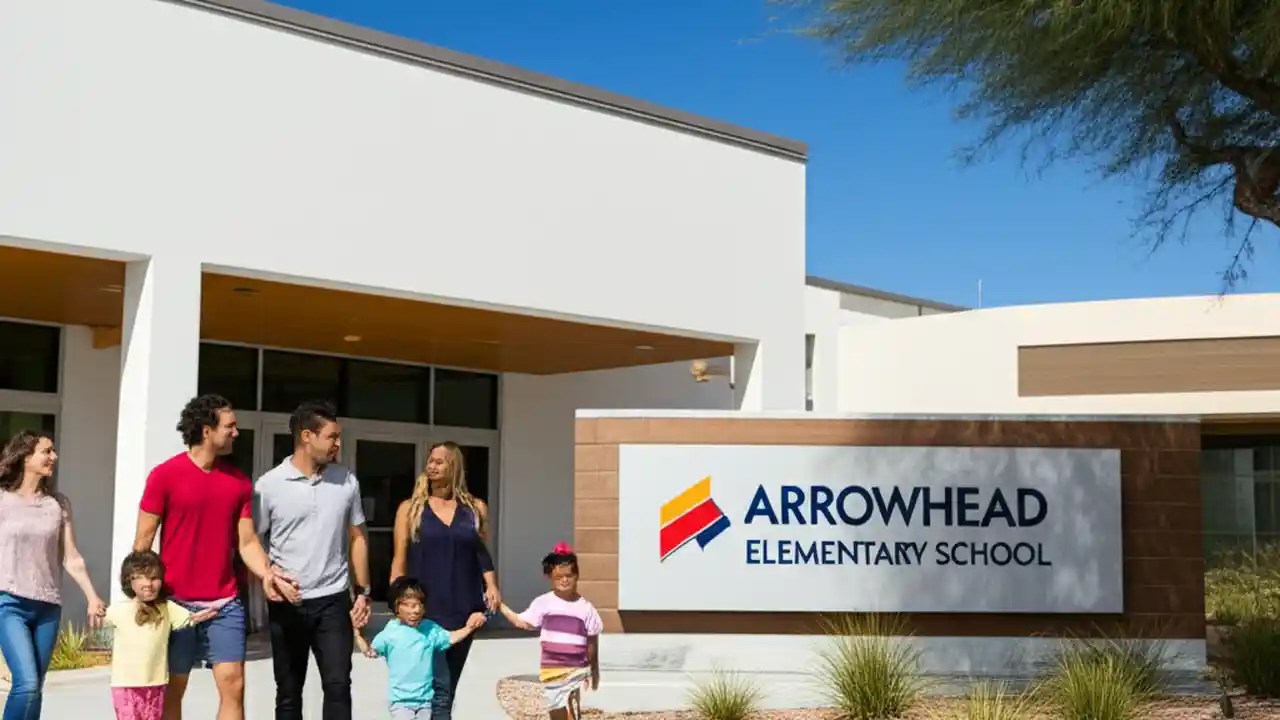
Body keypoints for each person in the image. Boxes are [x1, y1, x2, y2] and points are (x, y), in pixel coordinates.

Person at [133, 394, 299, 720]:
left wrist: (268, 573)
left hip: (225, 604)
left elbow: (248, 541)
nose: (236, 432)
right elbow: (143, 541)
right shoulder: (164, 475)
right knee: (173, 689)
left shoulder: (237, 482)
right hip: (175, 604)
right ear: (207, 430)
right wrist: (142, 595)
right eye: (230, 426)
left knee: (233, 685)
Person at [254, 400, 373, 720]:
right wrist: (269, 575)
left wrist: (363, 591)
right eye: (332, 437)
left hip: (334, 602)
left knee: (338, 685)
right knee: (289, 691)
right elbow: (251, 541)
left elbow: (358, 536)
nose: (338, 444)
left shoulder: (346, 480)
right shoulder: (269, 486)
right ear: (307, 436)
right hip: (288, 602)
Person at [0, 430, 107, 720]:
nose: (53, 457)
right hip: (9, 603)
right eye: (46, 451)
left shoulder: (58, 505)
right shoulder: (3, 501)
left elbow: (71, 557)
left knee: (37, 687)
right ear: (25, 457)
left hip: (48, 606)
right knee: (27, 683)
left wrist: (91, 596)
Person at [390, 441, 501, 719]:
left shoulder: (475, 508)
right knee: (436, 689)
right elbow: (399, 559)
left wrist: (492, 586)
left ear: (454, 466)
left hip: (464, 608)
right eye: (430, 461)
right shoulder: (410, 508)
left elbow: (481, 554)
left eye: (439, 461)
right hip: (425, 610)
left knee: (447, 687)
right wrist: (397, 602)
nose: (432, 466)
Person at [105, 551, 217, 720]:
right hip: (125, 685)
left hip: (155, 684)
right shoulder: (119, 609)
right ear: (129, 581)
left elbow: (190, 618)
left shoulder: (167, 608)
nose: (148, 584)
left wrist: (206, 614)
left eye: (154, 578)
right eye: (141, 578)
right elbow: (100, 615)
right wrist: (94, 605)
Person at [499, 543, 602, 720]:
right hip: (551, 668)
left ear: (576, 576)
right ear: (550, 577)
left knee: (571, 705)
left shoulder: (585, 608)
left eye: (569, 576)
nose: (564, 580)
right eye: (559, 577)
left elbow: (592, 640)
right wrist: (500, 606)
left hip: (575, 668)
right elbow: (522, 621)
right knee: (556, 709)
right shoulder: (543, 603)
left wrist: (594, 669)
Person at [366, 577, 485, 720]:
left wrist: (469, 627)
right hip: (401, 703)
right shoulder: (390, 632)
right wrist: (357, 633)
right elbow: (371, 649)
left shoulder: (429, 629)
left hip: (425, 701)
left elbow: (450, 637)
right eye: (408, 605)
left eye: (418, 605)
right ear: (397, 607)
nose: (414, 611)